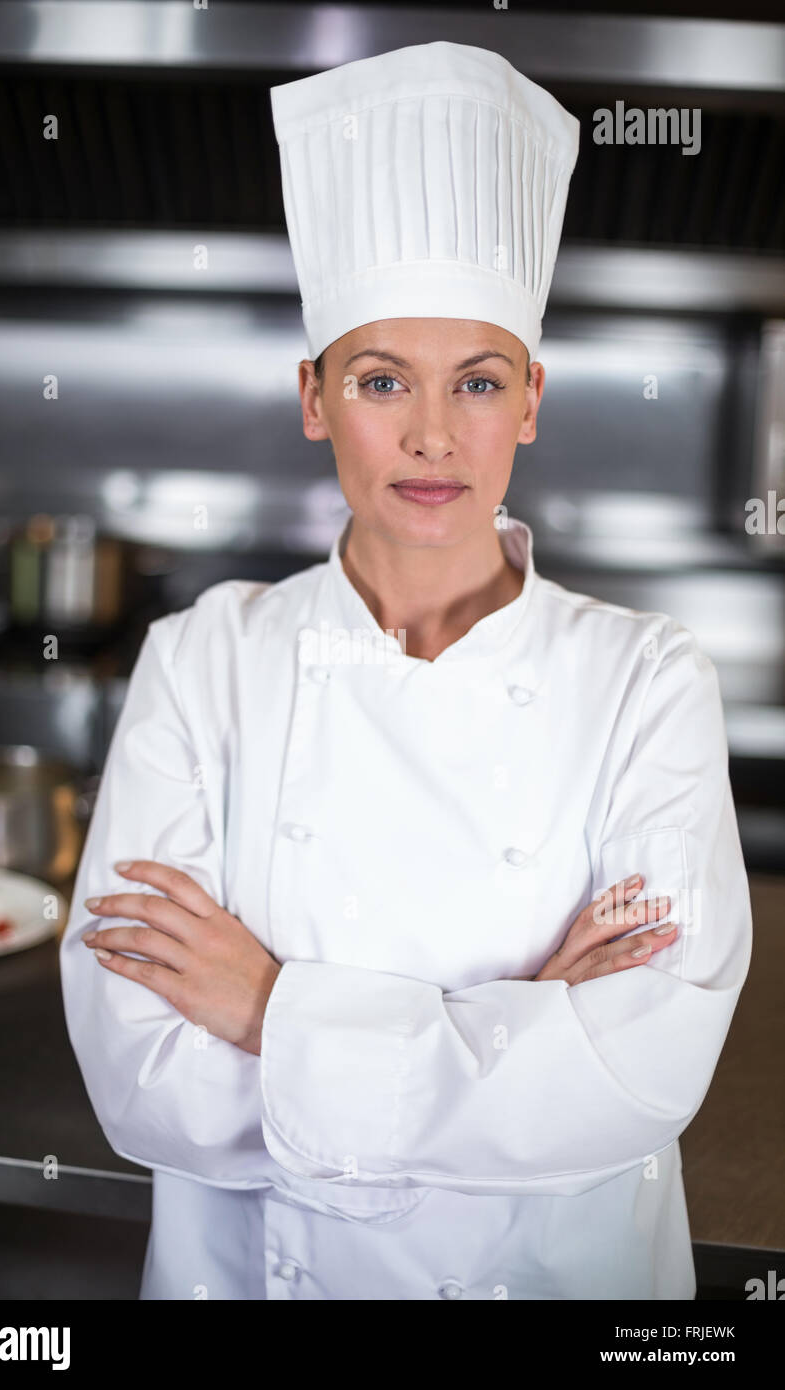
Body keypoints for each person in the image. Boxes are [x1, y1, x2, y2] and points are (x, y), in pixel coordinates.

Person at [59, 41, 752, 1301]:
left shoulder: (647, 676)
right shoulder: (201, 659)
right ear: (314, 395)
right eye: (382, 380)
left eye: (476, 382)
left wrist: (268, 1008)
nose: (431, 434)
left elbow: (636, 1080)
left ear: (530, 398)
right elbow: (137, 1076)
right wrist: (510, 1041)